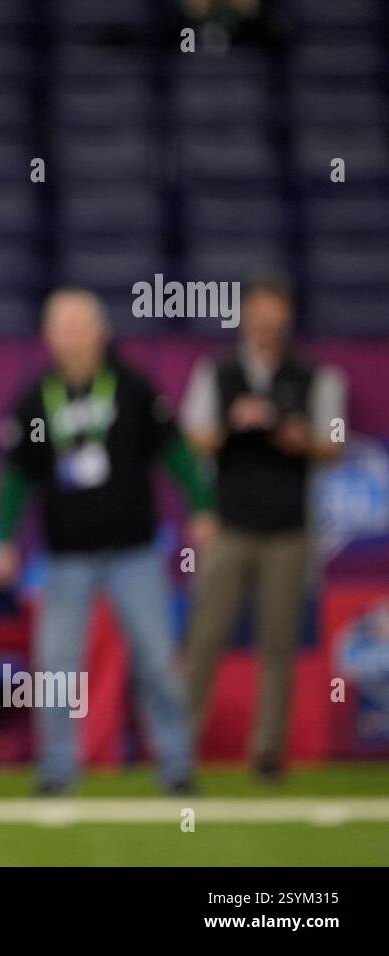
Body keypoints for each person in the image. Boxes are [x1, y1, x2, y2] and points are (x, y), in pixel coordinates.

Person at [0, 288, 215, 795]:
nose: (71, 336)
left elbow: (174, 451)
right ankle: (57, 769)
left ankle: (177, 765)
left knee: (157, 657)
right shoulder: (35, 400)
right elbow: (15, 476)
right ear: (47, 337)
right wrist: (2, 539)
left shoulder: (132, 388)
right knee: (55, 665)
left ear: (101, 331)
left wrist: (202, 506)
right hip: (66, 558)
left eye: (80, 324)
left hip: (135, 551)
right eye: (61, 326)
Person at [179, 274, 346, 781]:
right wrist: (235, 425)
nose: (266, 328)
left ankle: (268, 753)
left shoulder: (317, 378)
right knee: (206, 637)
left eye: (275, 319)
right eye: (258, 317)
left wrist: (302, 440)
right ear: (245, 318)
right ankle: (178, 746)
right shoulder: (218, 372)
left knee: (279, 645)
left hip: (288, 530)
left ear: (287, 319)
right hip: (229, 525)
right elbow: (191, 439)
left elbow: (335, 444)